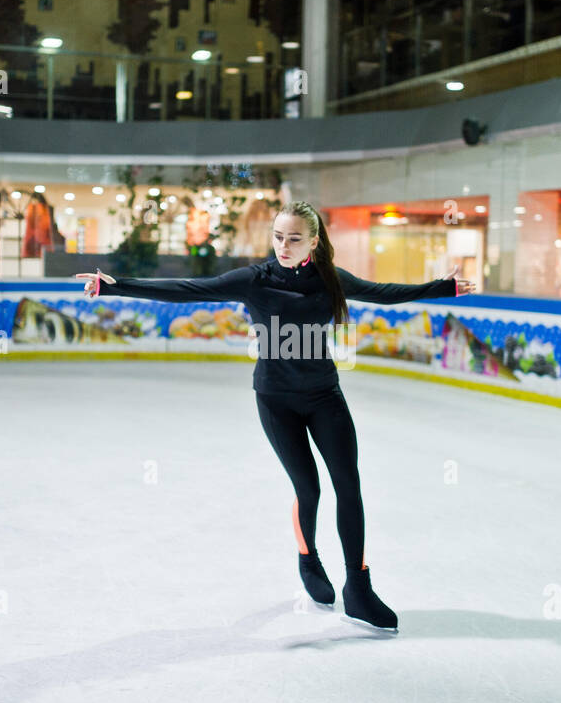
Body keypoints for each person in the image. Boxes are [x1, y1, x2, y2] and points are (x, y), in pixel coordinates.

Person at [76, 201, 477, 631]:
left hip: (325, 396)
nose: (284, 246)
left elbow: (384, 293)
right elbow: (189, 289)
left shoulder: (330, 280)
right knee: (310, 488)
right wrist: (115, 287)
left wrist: (442, 287)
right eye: (278, 237)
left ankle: (358, 589)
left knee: (349, 484)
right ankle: (309, 560)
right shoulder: (255, 280)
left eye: (295, 238)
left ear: (314, 242)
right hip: (275, 401)